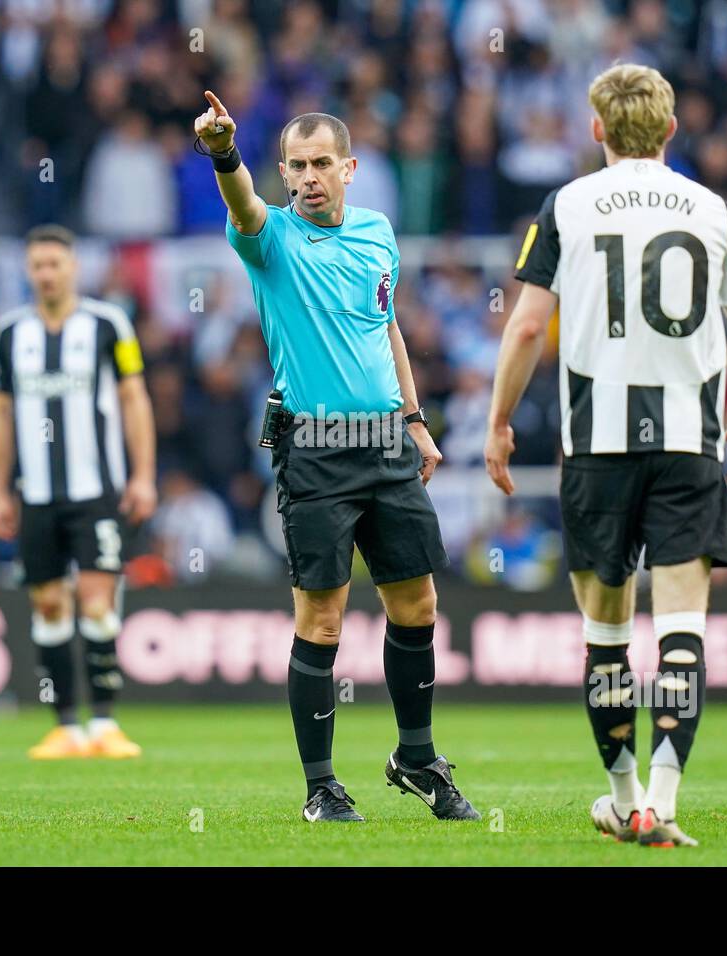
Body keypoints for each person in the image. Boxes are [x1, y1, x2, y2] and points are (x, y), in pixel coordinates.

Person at [484, 63, 727, 848]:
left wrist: (500, 421)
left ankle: (622, 797)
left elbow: (523, 329)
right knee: (683, 629)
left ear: (597, 130)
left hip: (597, 451)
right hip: (689, 446)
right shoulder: (711, 209)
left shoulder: (567, 205)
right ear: (672, 129)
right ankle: (666, 803)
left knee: (607, 636)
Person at [194, 90, 478, 823]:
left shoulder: (379, 233)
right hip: (314, 450)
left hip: (386, 441)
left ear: (350, 168)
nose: (310, 176)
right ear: (284, 174)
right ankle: (321, 786)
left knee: (417, 606)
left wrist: (415, 420)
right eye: (297, 165)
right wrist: (225, 152)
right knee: (322, 621)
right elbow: (244, 203)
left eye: (323, 163)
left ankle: (415, 758)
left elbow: (385, 331)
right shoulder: (269, 237)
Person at [0, 225, 157, 759]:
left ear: (73, 267)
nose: (46, 274)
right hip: (35, 494)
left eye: (55, 264)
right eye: (37, 265)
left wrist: (143, 475)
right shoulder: (9, 334)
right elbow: (0, 414)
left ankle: (104, 722)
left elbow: (134, 400)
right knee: (49, 602)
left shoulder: (109, 324)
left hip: (96, 490)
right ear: (27, 272)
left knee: (97, 599)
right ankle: (65, 725)